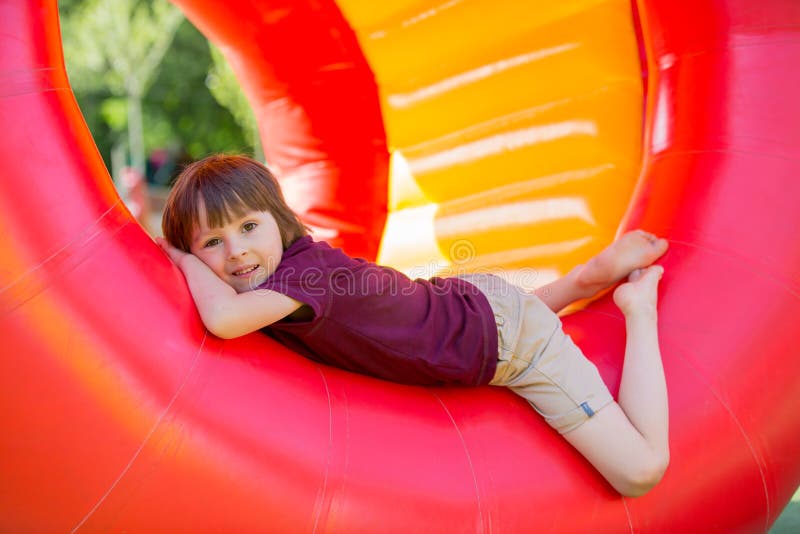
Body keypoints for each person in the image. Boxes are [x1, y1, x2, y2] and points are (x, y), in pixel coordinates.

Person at [157, 154, 670, 497]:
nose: (237, 251)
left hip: (513, 343)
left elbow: (223, 319)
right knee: (492, 319)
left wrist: (182, 257)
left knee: (640, 471)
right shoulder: (288, 274)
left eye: (248, 227)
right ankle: (582, 281)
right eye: (212, 242)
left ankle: (636, 304)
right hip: (473, 307)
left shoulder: (303, 278)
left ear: (281, 220)